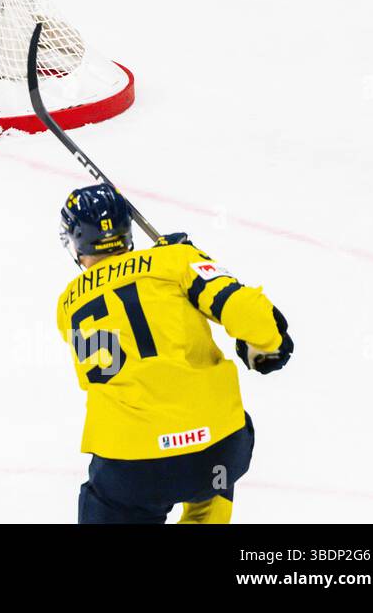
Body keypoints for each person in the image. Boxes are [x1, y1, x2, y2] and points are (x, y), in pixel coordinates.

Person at [55, 184, 293, 523]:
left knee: (112, 495)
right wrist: (194, 259)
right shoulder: (174, 260)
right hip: (218, 454)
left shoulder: (68, 304)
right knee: (216, 448)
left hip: (134, 470)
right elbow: (247, 311)